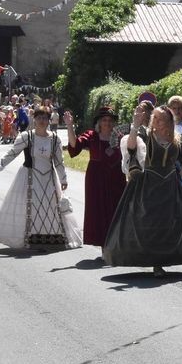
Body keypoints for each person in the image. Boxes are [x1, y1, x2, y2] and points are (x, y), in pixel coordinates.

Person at [103, 102, 182, 277]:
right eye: (156, 118)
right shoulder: (145, 136)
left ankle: (166, 258)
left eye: (162, 119)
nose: (158, 121)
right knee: (149, 222)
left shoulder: (177, 138)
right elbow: (131, 148)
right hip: (148, 185)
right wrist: (135, 126)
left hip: (170, 185)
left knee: (170, 223)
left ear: (169, 120)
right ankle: (153, 261)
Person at [0, 107, 83, 250]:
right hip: (29, 176)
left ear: (49, 120)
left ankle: (50, 237)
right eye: (39, 118)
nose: (42, 121)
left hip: (49, 178)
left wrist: (63, 179)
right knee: (30, 206)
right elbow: (12, 153)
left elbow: (58, 161)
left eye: (45, 118)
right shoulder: (26, 137)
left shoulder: (55, 139)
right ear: (34, 119)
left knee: (49, 207)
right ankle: (30, 237)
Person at [65, 106, 127, 256]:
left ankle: (118, 244)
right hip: (96, 178)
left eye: (110, 120)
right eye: (104, 120)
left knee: (117, 209)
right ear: (99, 122)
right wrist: (69, 126)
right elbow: (74, 146)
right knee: (99, 211)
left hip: (116, 177)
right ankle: (104, 247)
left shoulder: (120, 136)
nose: (107, 123)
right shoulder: (92, 135)